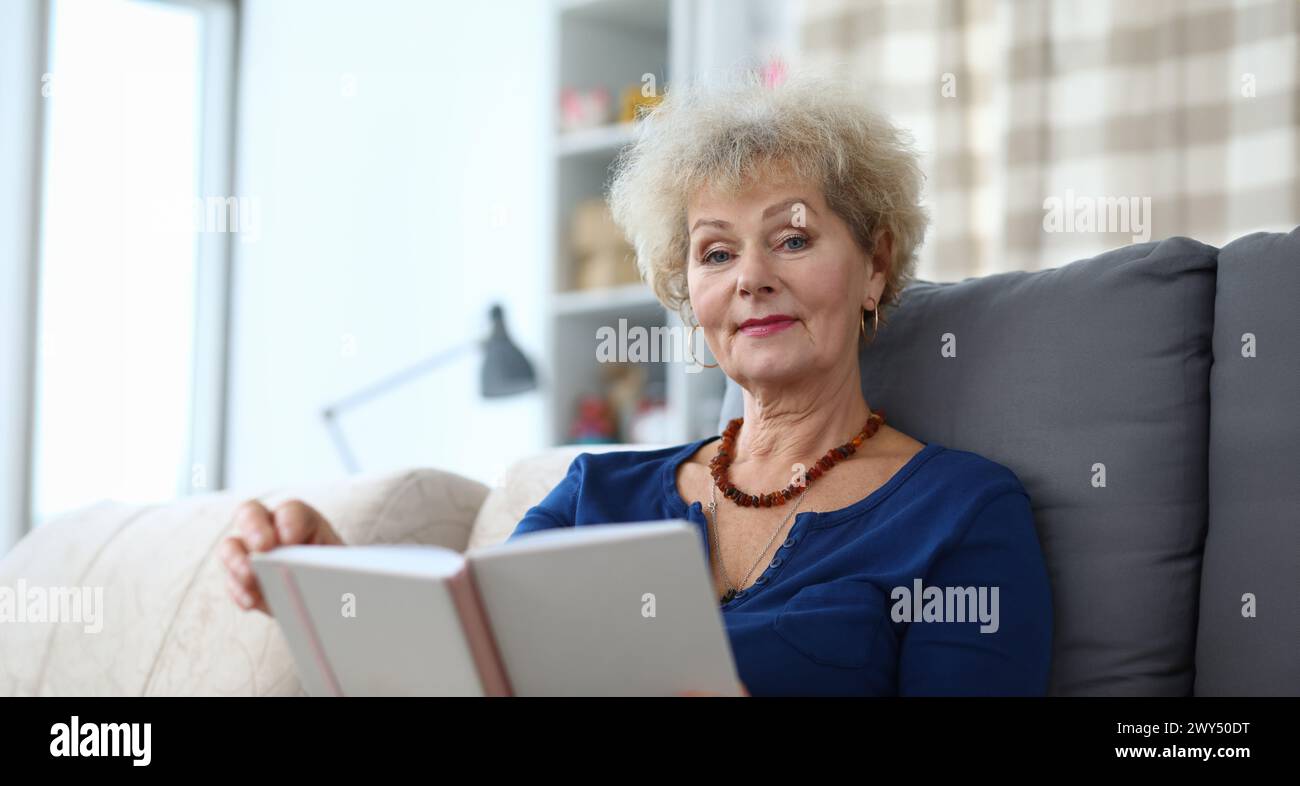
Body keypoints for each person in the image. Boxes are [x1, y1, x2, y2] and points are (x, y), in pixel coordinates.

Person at [222, 70, 1053, 696]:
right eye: (717, 252)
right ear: (687, 294)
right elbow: (470, 673)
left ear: (874, 266)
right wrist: (337, 588)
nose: (750, 278)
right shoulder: (594, 495)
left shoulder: (959, 512)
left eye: (792, 239)